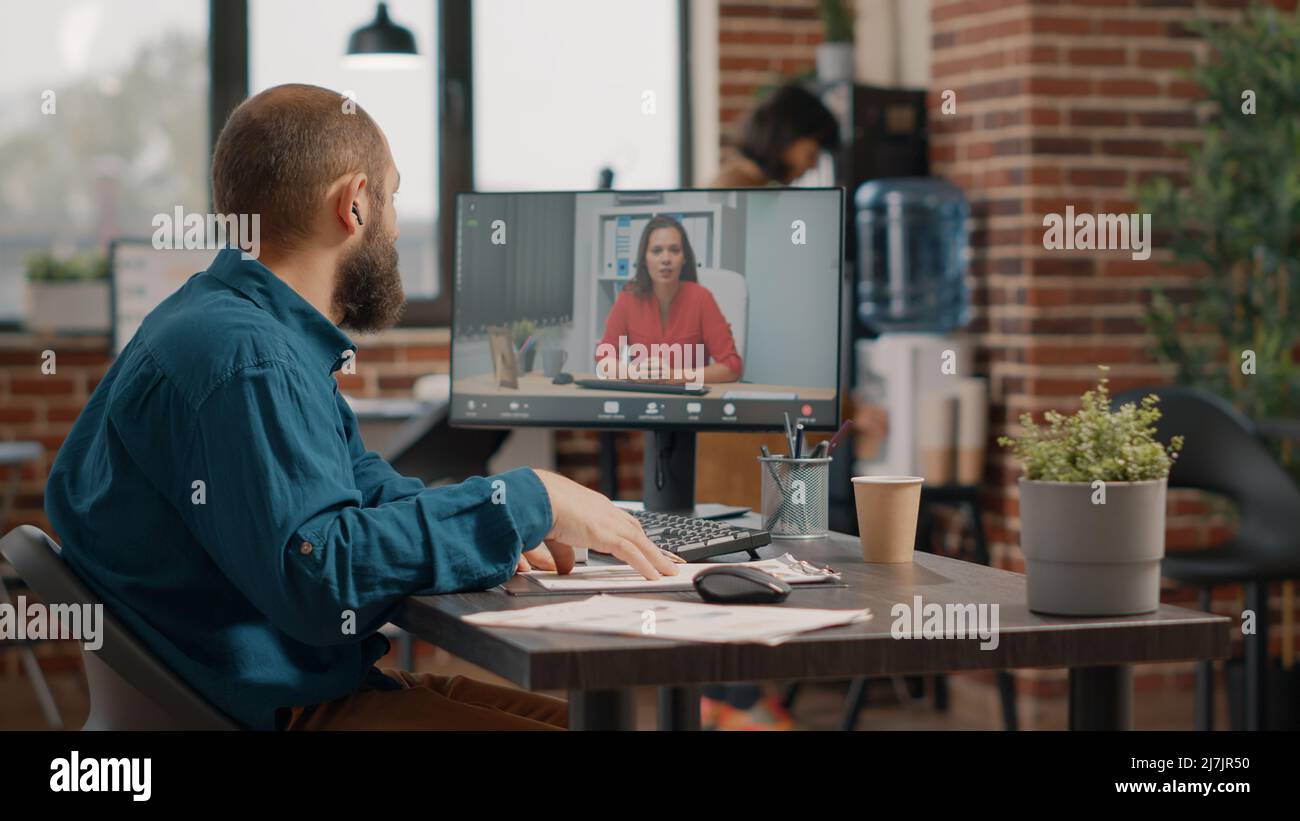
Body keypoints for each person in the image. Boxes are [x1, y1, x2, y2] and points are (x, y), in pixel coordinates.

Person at [44, 84, 677, 732]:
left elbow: (356, 487)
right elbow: (322, 575)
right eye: (393, 197)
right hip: (285, 712)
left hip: (285, 687)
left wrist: (493, 522)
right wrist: (529, 497)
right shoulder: (247, 359)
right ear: (353, 204)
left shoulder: (228, 323)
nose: (398, 227)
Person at [695, 82, 840, 732]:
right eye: (813, 148)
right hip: (741, 400)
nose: (813, 163)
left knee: (741, 540)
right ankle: (737, 699)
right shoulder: (747, 189)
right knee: (745, 542)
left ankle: (737, 695)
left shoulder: (732, 181)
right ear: (789, 134)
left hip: (736, 393)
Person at [595, 214, 742, 384]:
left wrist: (674, 376)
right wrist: (633, 372)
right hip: (643, 398)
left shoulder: (702, 299)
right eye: (657, 251)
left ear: (684, 258)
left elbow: (732, 367)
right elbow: (603, 362)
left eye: (674, 250)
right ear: (644, 259)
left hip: (689, 401)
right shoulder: (628, 297)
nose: (666, 259)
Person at [713, 82, 841, 188]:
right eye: (810, 155)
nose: (812, 166)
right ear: (785, 139)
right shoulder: (734, 193)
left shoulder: (753, 185)